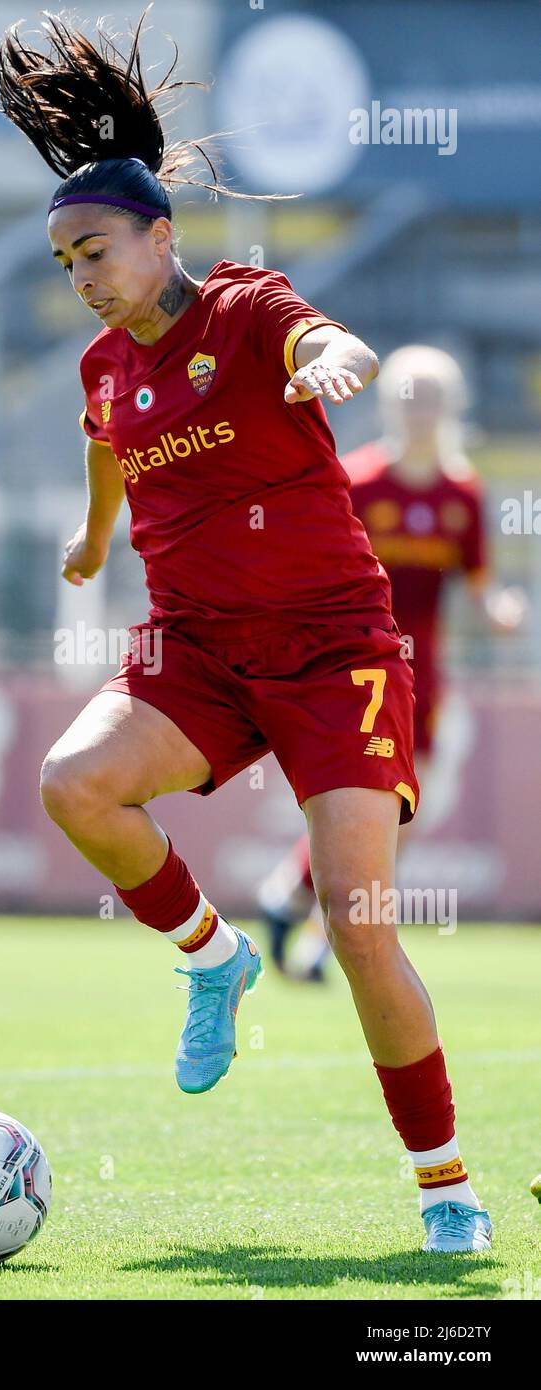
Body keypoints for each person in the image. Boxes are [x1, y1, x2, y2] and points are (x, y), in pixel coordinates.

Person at [0, 11, 491, 1252]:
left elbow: (328, 338)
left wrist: (337, 359)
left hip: (332, 650)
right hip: (196, 650)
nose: (84, 277)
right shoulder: (104, 369)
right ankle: (212, 961)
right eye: (64, 264)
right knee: (74, 786)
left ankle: (446, 1194)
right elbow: (110, 451)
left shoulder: (248, 306)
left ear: (159, 236)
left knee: (356, 922)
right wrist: (96, 541)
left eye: (96, 250)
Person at [259, 345, 525, 982]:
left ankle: (295, 898)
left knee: (407, 809)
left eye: (432, 398)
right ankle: (327, 926)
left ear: (451, 408)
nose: (421, 411)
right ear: (388, 404)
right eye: (409, 397)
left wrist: (501, 610)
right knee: (369, 802)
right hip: (354, 663)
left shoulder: (463, 493)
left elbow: (479, 583)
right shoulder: (358, 480)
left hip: (424, 672)